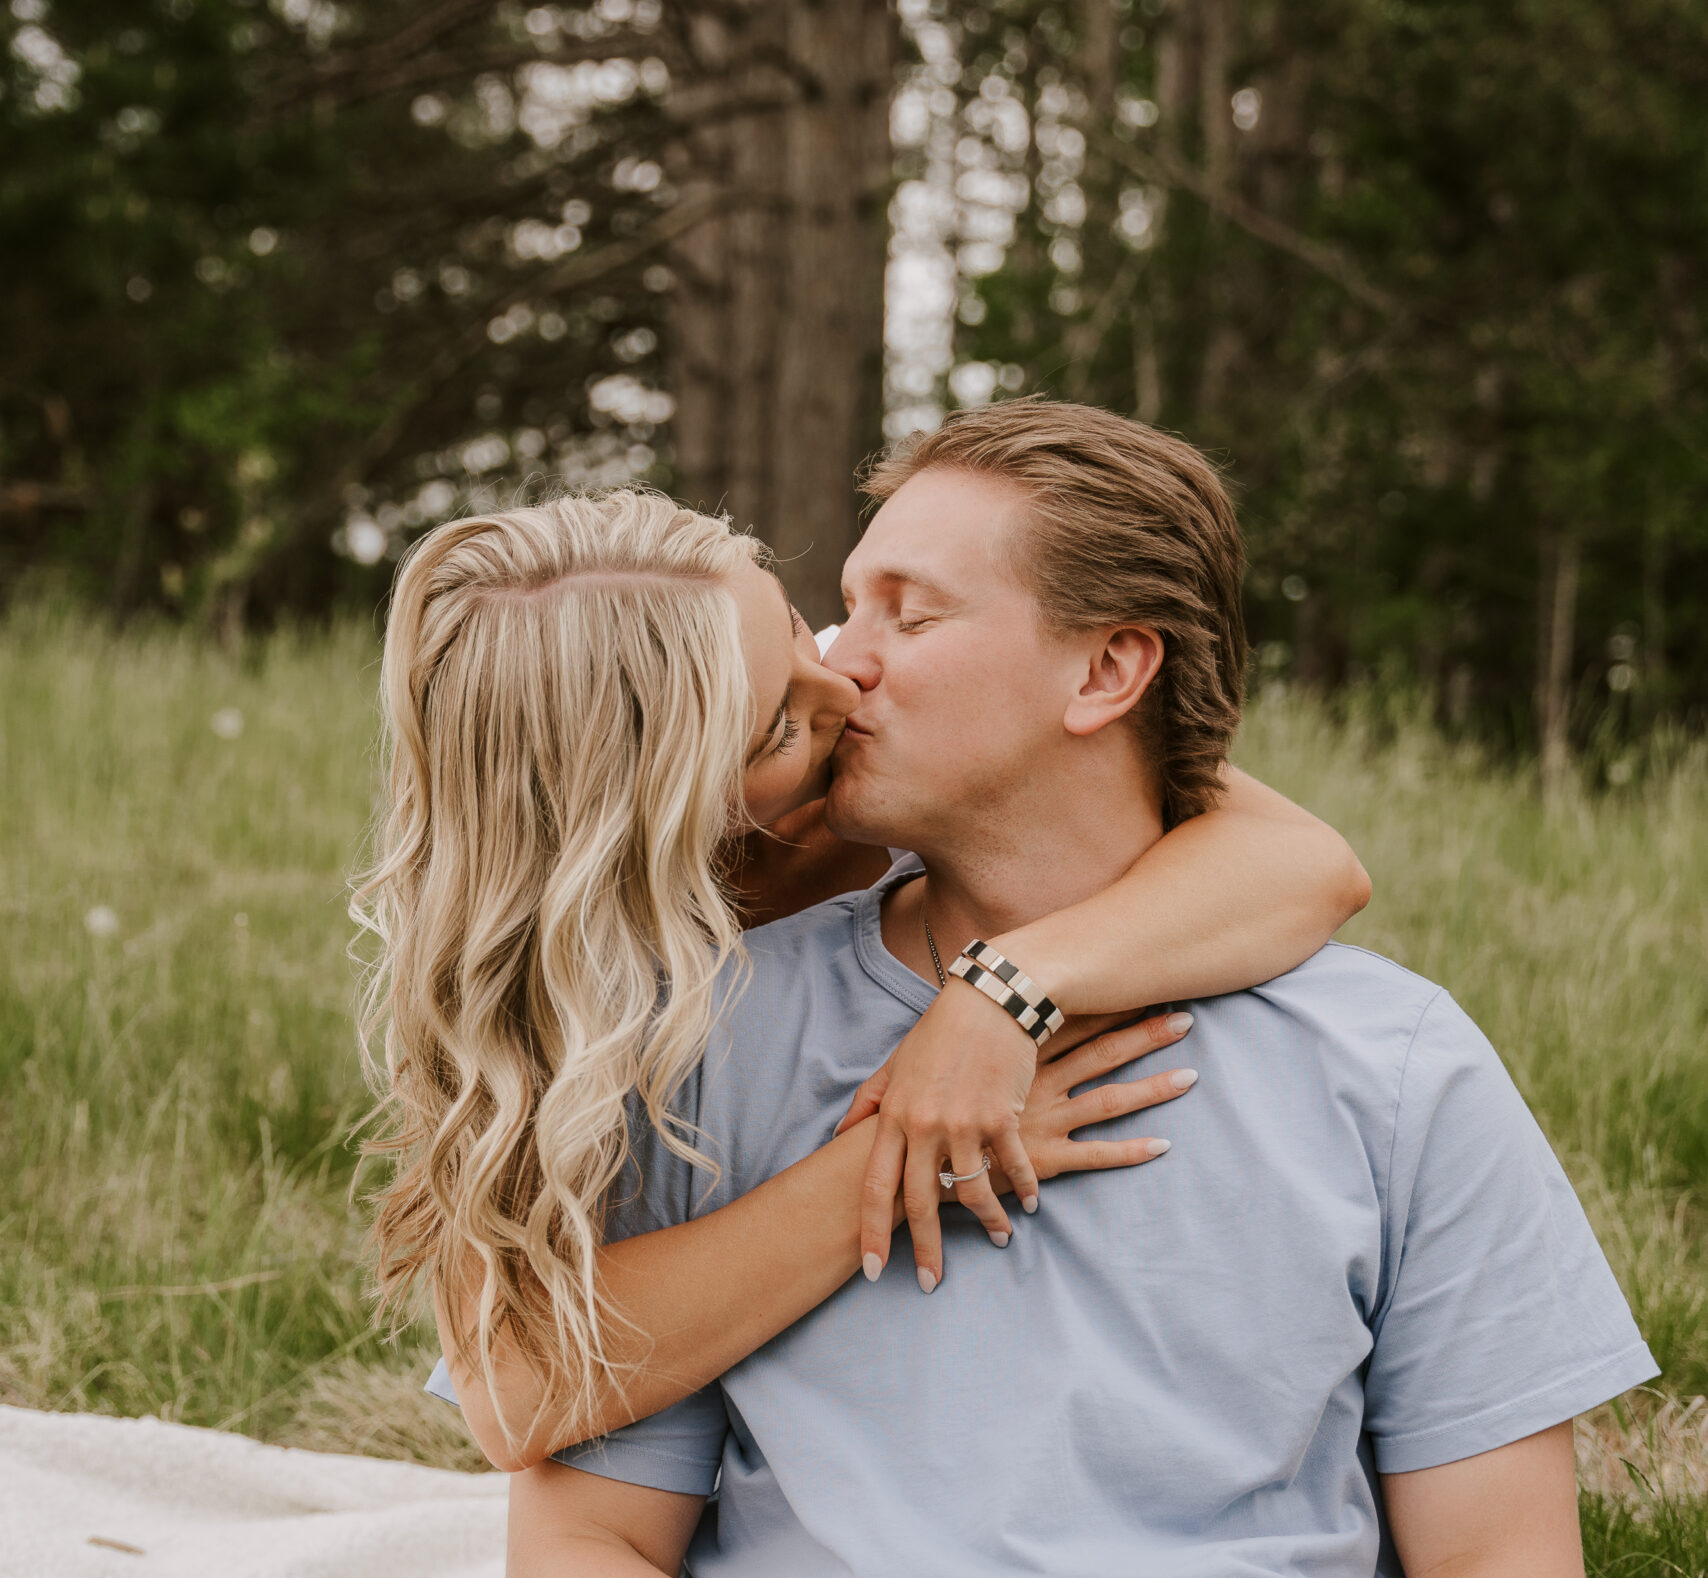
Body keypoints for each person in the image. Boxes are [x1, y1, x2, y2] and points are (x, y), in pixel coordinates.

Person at [229, 403, 1653, 1578]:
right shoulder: (697, 1029)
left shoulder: (1389, 1060)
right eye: (825, 627)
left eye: (903, 610)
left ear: (1102, 669)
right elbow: (559, 1493)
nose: (839, 664)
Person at [358, 483, 1366, 1480]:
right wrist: (899, 1154)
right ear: (651, 813)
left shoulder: (887, 721)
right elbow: (516, 1391)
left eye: (801, 629)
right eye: (777, 732)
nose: (843, 689)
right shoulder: (573, 968)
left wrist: (995, 994)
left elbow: (1308, 865)